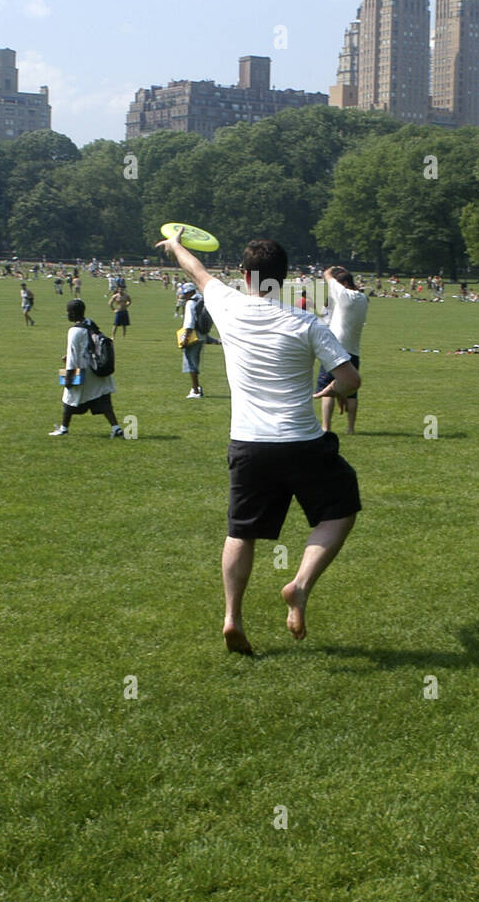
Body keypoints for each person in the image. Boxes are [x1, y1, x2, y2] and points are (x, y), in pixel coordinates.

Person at [158, 229, 361, 653]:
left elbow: (196, 271)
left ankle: (232, 617)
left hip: (249, 444)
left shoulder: (226, 304)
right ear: (283, 280)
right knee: (341, 509)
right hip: (302, 442)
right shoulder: (307, 323)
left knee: (240, 531)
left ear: (243, 275)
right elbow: (349, 379)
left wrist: (176, 243)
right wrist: (334, 392)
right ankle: (300, 585)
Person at [49, 298, 124, 438]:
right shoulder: (90, 324)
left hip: (83, 372)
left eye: (68, 312)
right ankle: (116, 428)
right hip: (97, 369)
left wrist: (69, 376)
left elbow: (73, 356)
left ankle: (64, 428)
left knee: (69, 399)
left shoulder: (74, 331)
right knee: (104, 400)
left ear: (72, 313)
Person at [318, 265, 368, 435]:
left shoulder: (344, 295)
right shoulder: (362, 299)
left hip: (335, 347)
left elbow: (327, 276)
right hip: (354, 349)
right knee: (352, 392)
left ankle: (326, 427)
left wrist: (333, 270)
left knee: (327, 390)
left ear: (345, 283)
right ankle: (351, 428)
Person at [178, 282, 205, 397]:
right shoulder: (202, 300)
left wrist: (185, 339)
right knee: (195, 362)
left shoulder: (190, 303)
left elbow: (189, 323)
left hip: (193, 335)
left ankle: (195, 390)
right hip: (202, 334)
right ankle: (197, 387)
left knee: (190, 363)